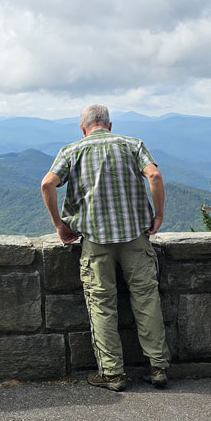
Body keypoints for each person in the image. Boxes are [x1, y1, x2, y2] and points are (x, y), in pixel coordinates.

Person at [40, 104, 171, 392]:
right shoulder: (132, 144)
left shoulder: (71, 151)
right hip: (136, 238)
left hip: (95, 241)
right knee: (146, 301)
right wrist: (158, 215)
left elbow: (48, 183)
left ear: (83, 128)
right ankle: (158, 366)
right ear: (109, 126)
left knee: (102, 306)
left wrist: (60, 225)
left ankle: (112, 374)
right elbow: (155, 176)